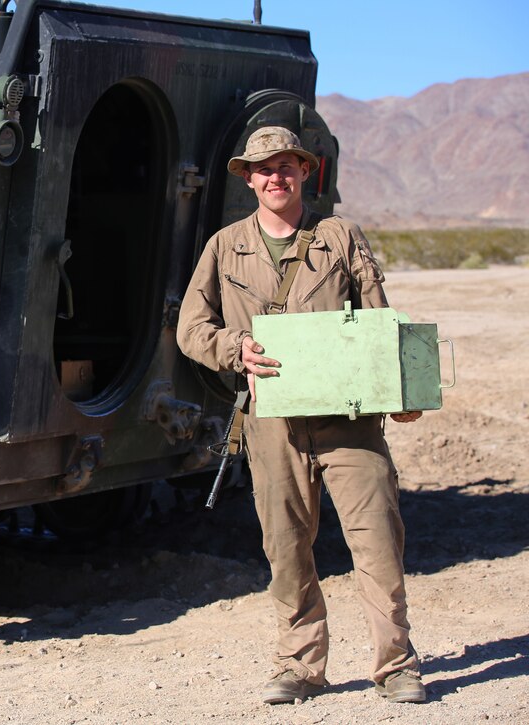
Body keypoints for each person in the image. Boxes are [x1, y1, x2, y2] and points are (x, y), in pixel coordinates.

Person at [176, 126, 426, 705]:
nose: (275, 176)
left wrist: (401, 388)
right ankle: (300, 666)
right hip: (272, 425)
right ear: (248, 178)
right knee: (286, 547)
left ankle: (396, 665)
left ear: (305, 171)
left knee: (378, 540)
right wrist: (234, 347)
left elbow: (377, 319)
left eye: (286, 165)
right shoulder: (223, 245)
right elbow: (191, 328)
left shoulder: (339, 237)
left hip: (348, 419)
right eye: (263, 168)